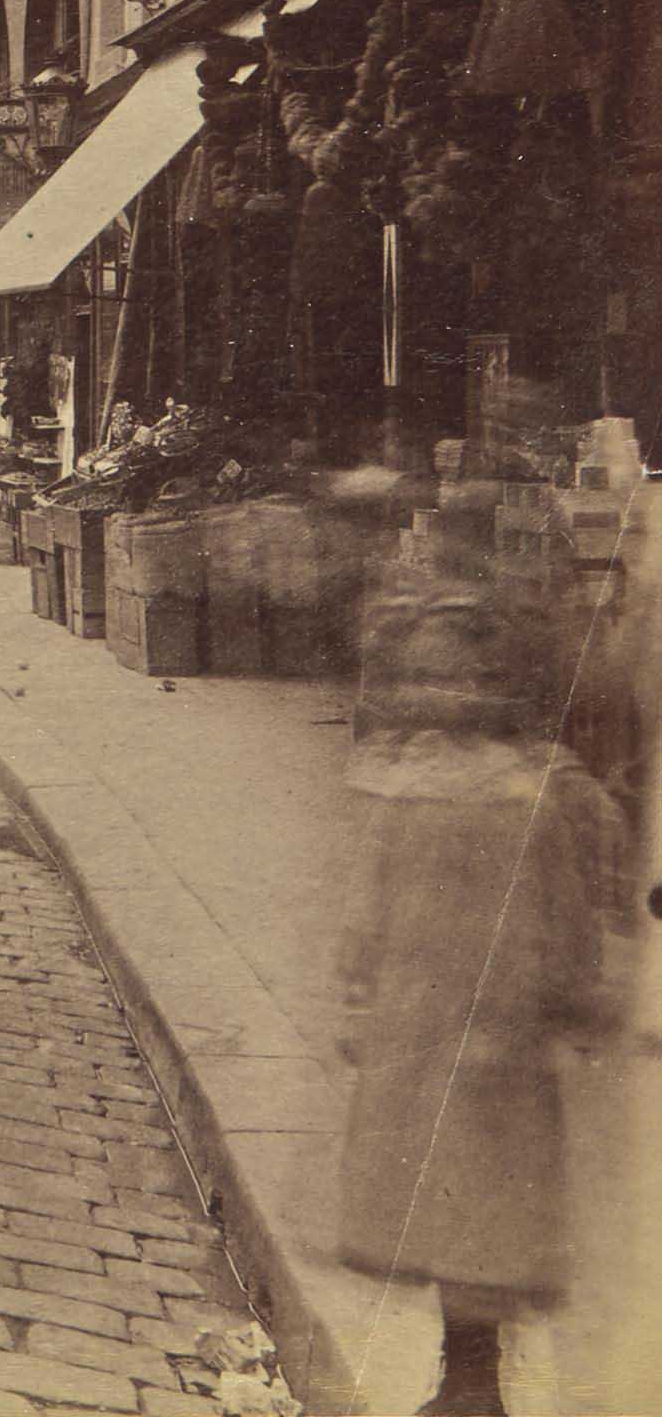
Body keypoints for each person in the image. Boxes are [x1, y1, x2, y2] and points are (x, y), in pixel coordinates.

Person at [336, 540, 625, 1416]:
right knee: (485, 1219)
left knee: (444, 1210)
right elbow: (566, 933)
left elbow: (364, 923)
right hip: (497, 1048)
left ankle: (464, 1384)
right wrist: (584, 1004)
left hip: (425, 1041)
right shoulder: (534, 798)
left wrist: (358, 999)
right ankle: (471, 1385)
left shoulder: (402, 791)